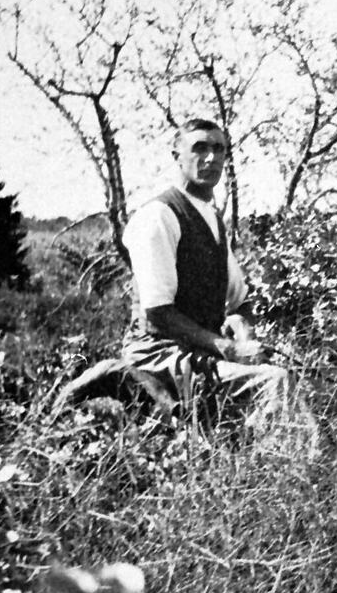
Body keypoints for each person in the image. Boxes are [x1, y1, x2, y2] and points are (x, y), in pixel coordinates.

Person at [120, 118, 289, 431]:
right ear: (177, 156)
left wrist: (243, 331)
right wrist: (226, 348)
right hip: (157, 356)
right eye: (200, 148)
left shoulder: (213, 219)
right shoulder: (158, 216)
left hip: (200, 352)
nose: (211, 158)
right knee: (274, 382)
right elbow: (158, 313)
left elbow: (240, 299)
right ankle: (266, 469)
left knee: (305, 378)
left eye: (219, 149)